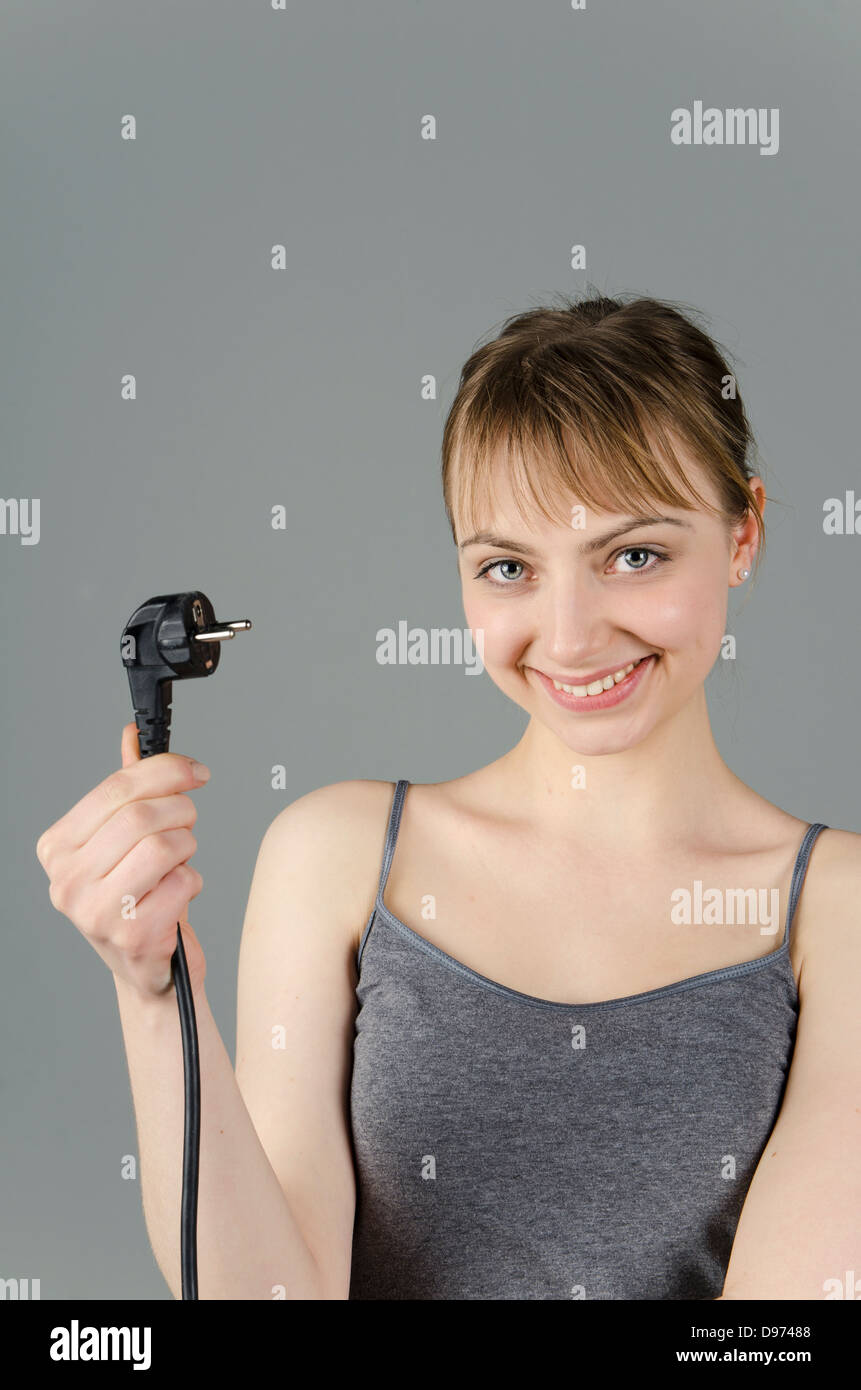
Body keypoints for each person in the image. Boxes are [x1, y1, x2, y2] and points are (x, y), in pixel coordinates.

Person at [36, 292, 860, 1301]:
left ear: (743, 533)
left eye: (633, 555)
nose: (567, 637)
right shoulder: (336, 856)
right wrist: (154, 995)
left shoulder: (840, 909)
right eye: (508, 567)